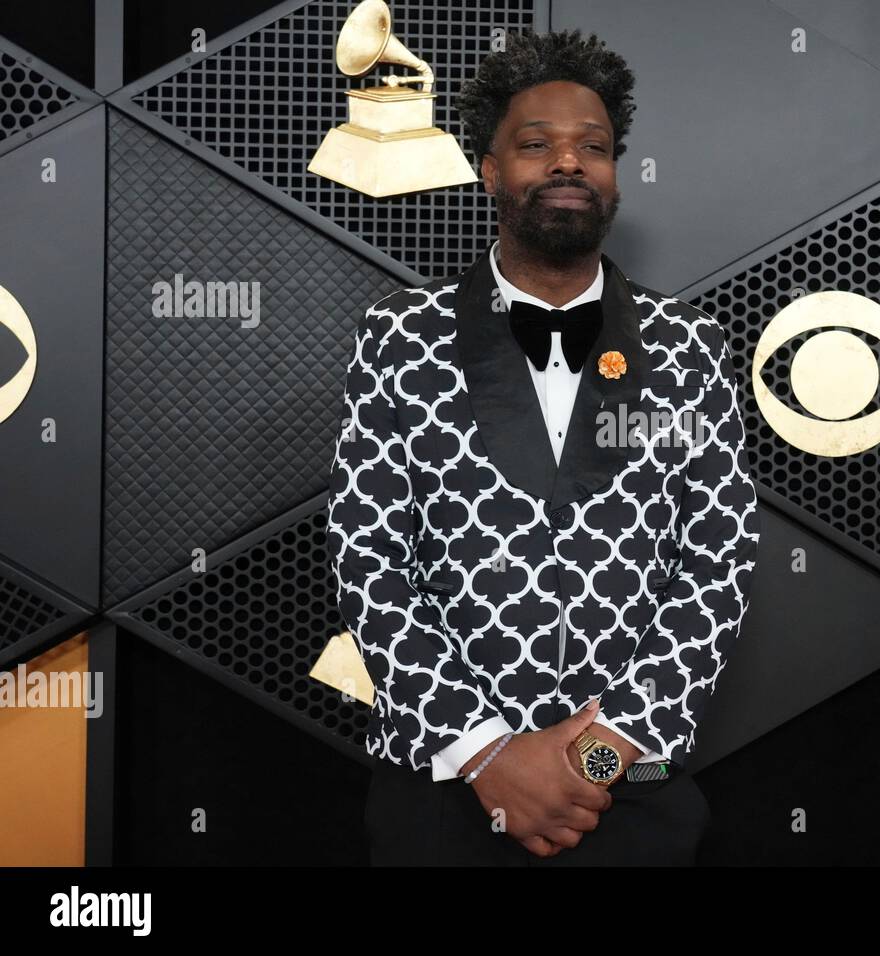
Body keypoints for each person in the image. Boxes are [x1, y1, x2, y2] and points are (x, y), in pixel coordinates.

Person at [327, 27, 760, 866]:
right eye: (537, 145)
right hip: (443, 793)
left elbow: (720, 561)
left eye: (592, 149)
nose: (569, 164)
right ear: (489, 170)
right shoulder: (398, 336)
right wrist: (489, 756)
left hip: (626, 795)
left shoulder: (690, 345)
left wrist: (588, 762)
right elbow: (369, 558)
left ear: (613, 176)